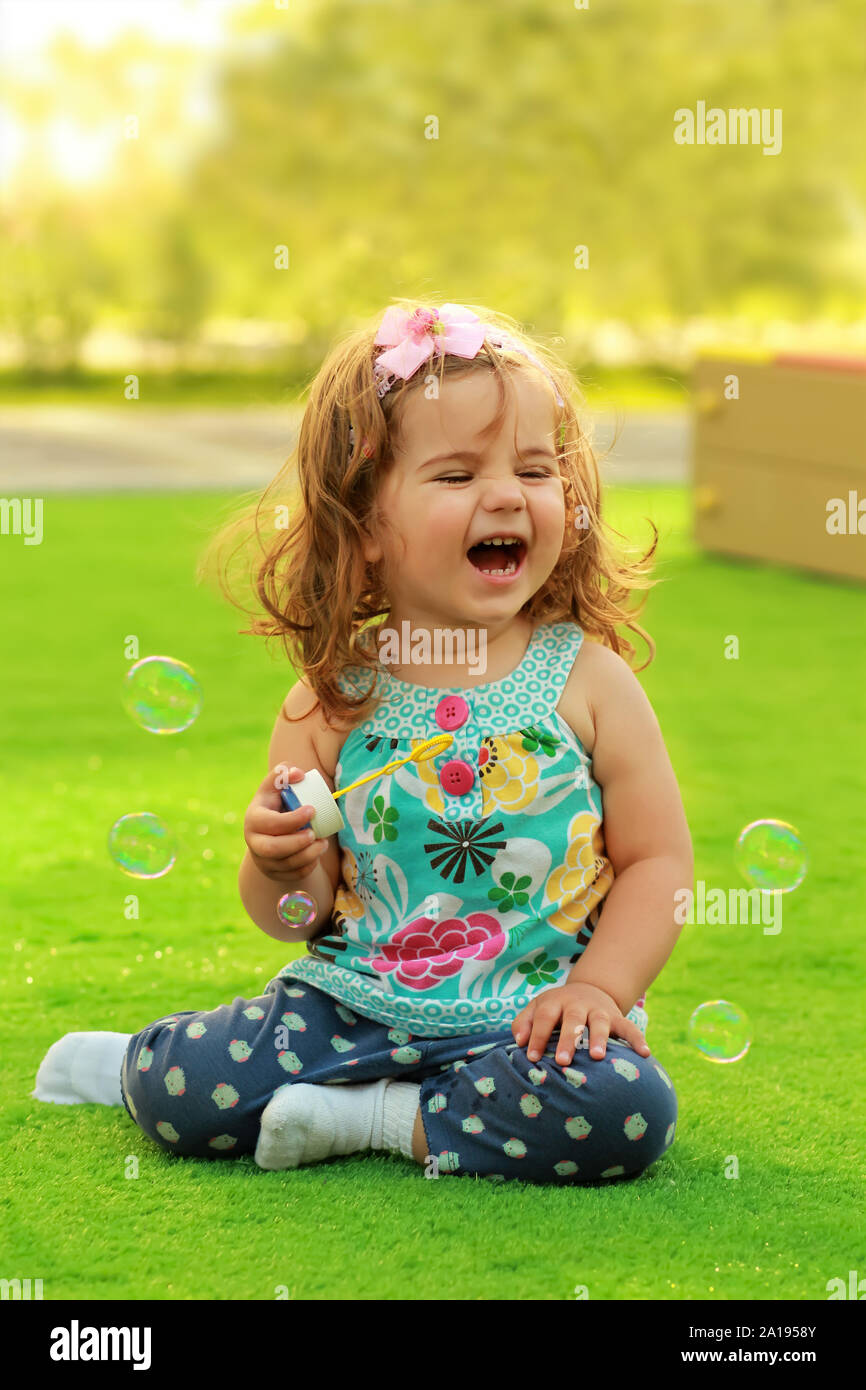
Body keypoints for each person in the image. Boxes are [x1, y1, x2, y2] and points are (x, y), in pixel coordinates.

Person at [33, 299, 692, 1185]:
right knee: (186, 1091)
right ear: (367, 529)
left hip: (527, 1019)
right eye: (457, 477)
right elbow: (292, 920)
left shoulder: (590, 682)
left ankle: (372, 1119)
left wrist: (597, 992)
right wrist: (278, 867)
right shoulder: (335, 698)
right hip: (353, 1008)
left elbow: (658, 862)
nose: (506, 495)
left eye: (536, 471)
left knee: (624, 1110)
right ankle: (129, 1066)